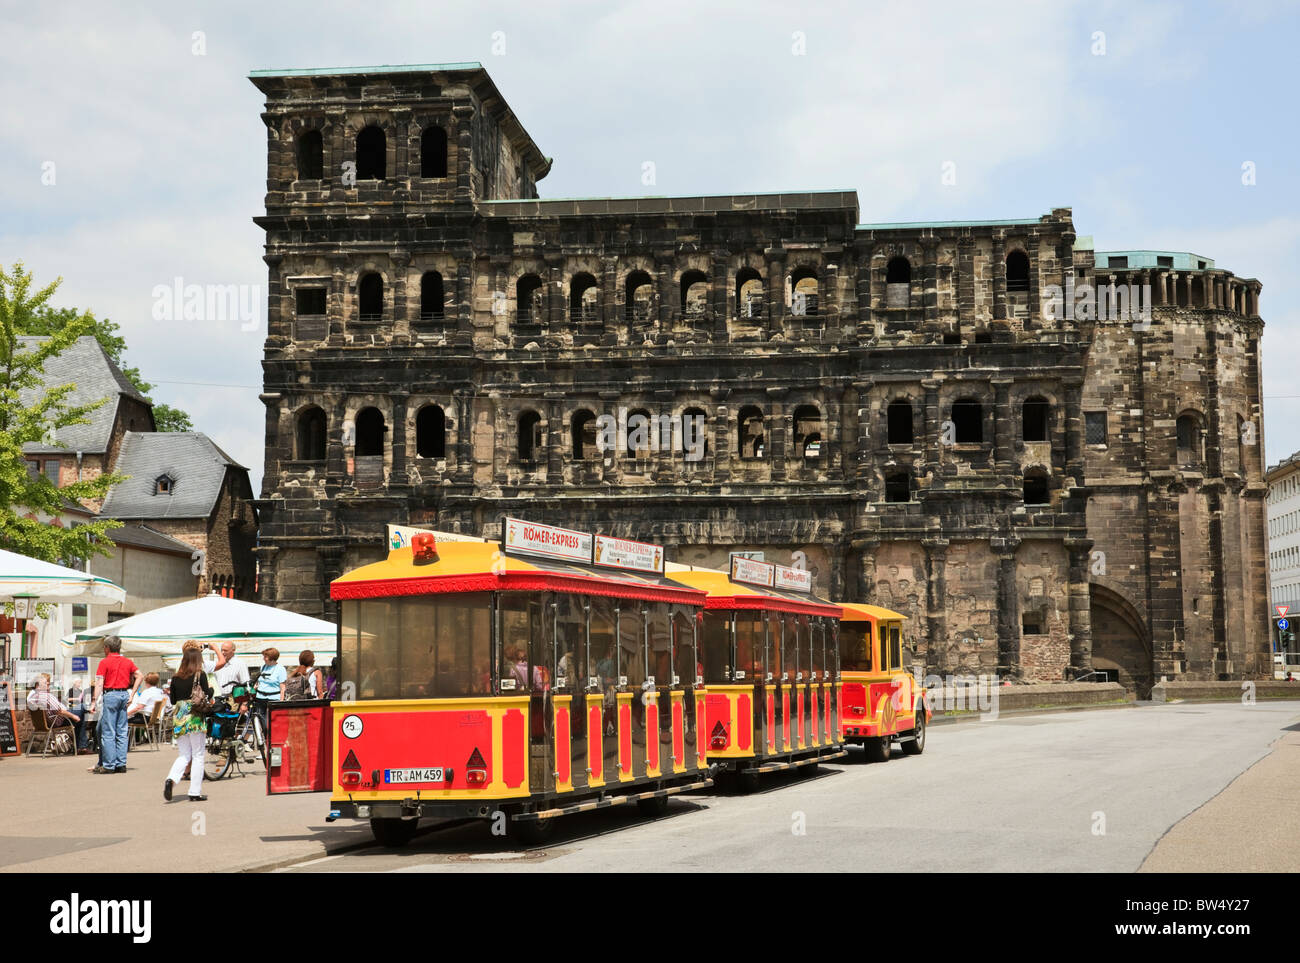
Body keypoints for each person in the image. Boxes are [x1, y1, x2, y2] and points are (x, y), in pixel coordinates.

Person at [164, 646, 214, 802]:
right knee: (198, 754)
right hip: (195, 716)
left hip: (179, 715)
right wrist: (210, 690)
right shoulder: (201, 675)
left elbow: (172, 700)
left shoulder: (176, 677)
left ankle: (171, 779)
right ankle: (194, 792)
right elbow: (206, 694)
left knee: (184, 754)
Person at [90, 635, 141, 774]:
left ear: (107, 648)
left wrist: (94, 701)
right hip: (124, 694)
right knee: (122, 731)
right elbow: (140, 675)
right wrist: (132, 693)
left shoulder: (104, 662)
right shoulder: (127, 661)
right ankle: (121, 764)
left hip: (111, 695)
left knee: (108, 731)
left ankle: (109, 765)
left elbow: (100, 683)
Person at [26, 673, 93, 754]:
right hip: (61, 719)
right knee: (83, 707)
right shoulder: (45, 696)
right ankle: (82, 747)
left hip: (48, 722)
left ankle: (81, 747)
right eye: (45, 683)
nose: (47, 684)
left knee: (81, 717)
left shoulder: (32, 697)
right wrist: (73, 716)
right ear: (38, 686)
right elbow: (60, 711)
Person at [252, 647, 287, 731]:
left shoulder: (280, 669)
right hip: (260, 698)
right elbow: (260, 680)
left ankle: (269, 740)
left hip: (273, 699)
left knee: (269, 723)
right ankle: (263, 740)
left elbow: (283, 687)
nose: (263, 659)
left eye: (265, 657)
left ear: (272, 658)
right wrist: (256, 686)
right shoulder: (263, 667)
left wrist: (281, 701)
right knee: (260, 722)